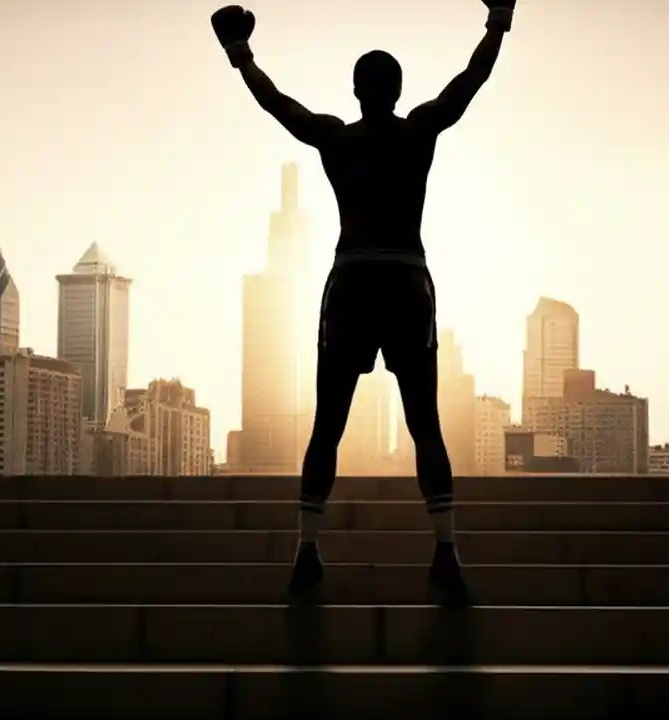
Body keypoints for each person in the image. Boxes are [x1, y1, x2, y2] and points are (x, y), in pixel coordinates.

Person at [211, 0, 517, 606]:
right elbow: (471, 80)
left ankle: (306, 552)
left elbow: (279, 106)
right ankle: (446, 552)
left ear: (356, 91)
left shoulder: (336, 138)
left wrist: (241, 54)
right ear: (398, 91)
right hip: (405, 281)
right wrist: (498, 20)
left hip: (352, 281)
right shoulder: (419, 130)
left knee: (328, 424)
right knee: (424, 422)